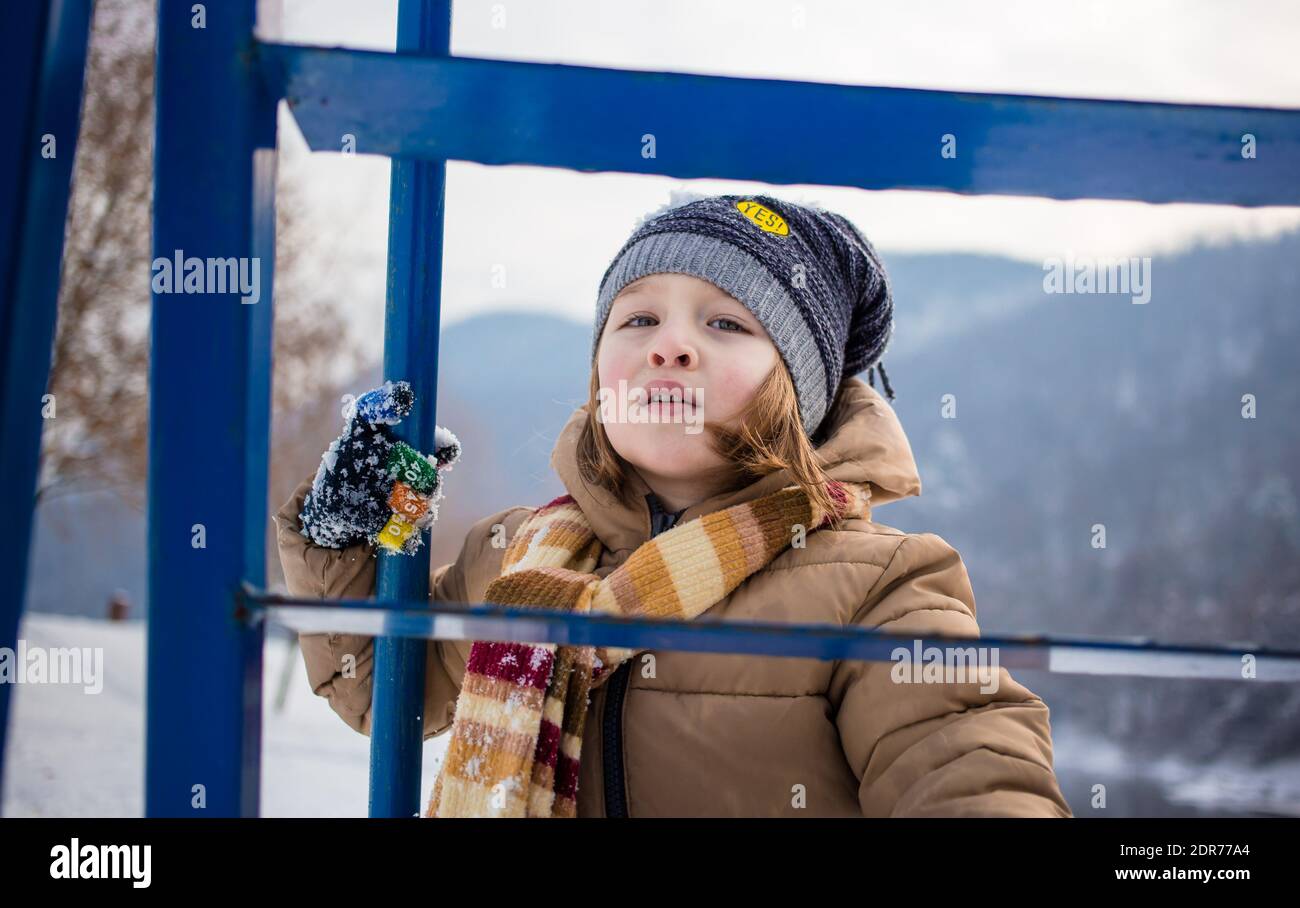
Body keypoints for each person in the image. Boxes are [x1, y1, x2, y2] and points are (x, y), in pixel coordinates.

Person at [274, 192, 1072, 818]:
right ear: (600, 374)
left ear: (799, 398)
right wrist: (340, 541)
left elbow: (965, 761)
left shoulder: (881, 589)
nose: (670, 344)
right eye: (640, 317)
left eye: (726, 323)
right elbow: (384, 697)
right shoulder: (513, 554)